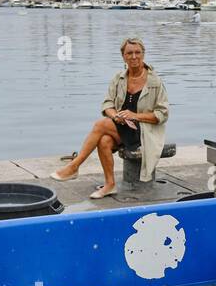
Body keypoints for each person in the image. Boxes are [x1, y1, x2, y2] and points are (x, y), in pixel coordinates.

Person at [50, 36, 170, 199]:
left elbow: (162, 114)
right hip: (123, 127)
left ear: (143, 54)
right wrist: (116, 116)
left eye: (137, 52)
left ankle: (74, 166)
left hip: (145, 132)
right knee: (104, 140)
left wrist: (135, 116)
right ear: (123, 56)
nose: (134, 57)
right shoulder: (119, 78)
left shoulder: (155, 81)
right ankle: (110, 184)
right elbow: (107, 104)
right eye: (129, 53)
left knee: (100, 125)